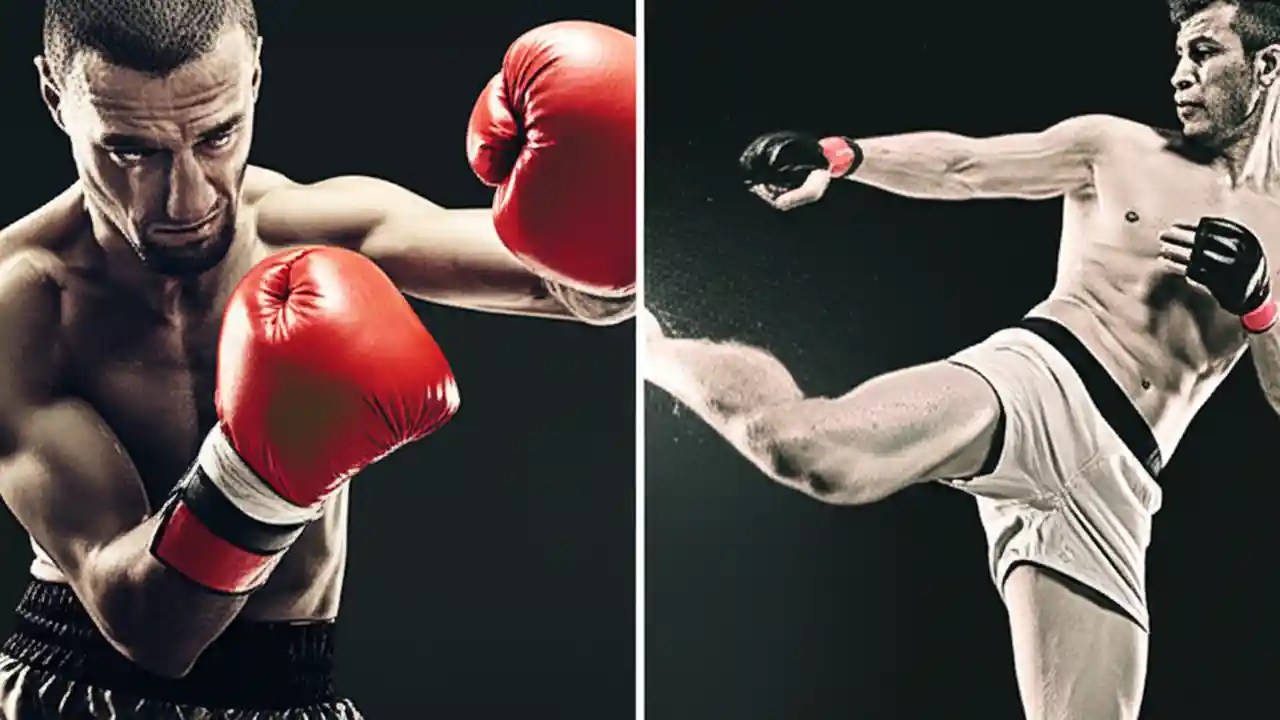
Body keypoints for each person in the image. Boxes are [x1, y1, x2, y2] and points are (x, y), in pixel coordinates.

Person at [645, 1, 1280, 717]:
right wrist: (841, 155)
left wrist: (1260, 303)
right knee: (810, 451)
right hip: (1041, 380)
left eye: (1203, 53)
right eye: (1177, 54)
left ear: (1266, 66)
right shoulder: (1118, 147)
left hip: (1122, 482)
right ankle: (648, 344)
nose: (1179, 75)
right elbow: (967, 165)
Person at [0, 1, 634, 717]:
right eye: (131, 151)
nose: (187, 196)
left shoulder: (314, 227)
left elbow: (586, 290)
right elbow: (150, 627)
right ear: (57, 98)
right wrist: (264, 468)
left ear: (256, 77)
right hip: (83, 693)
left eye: (217, 135)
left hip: (294, 693)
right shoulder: (21, 304)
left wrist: (614, 197)